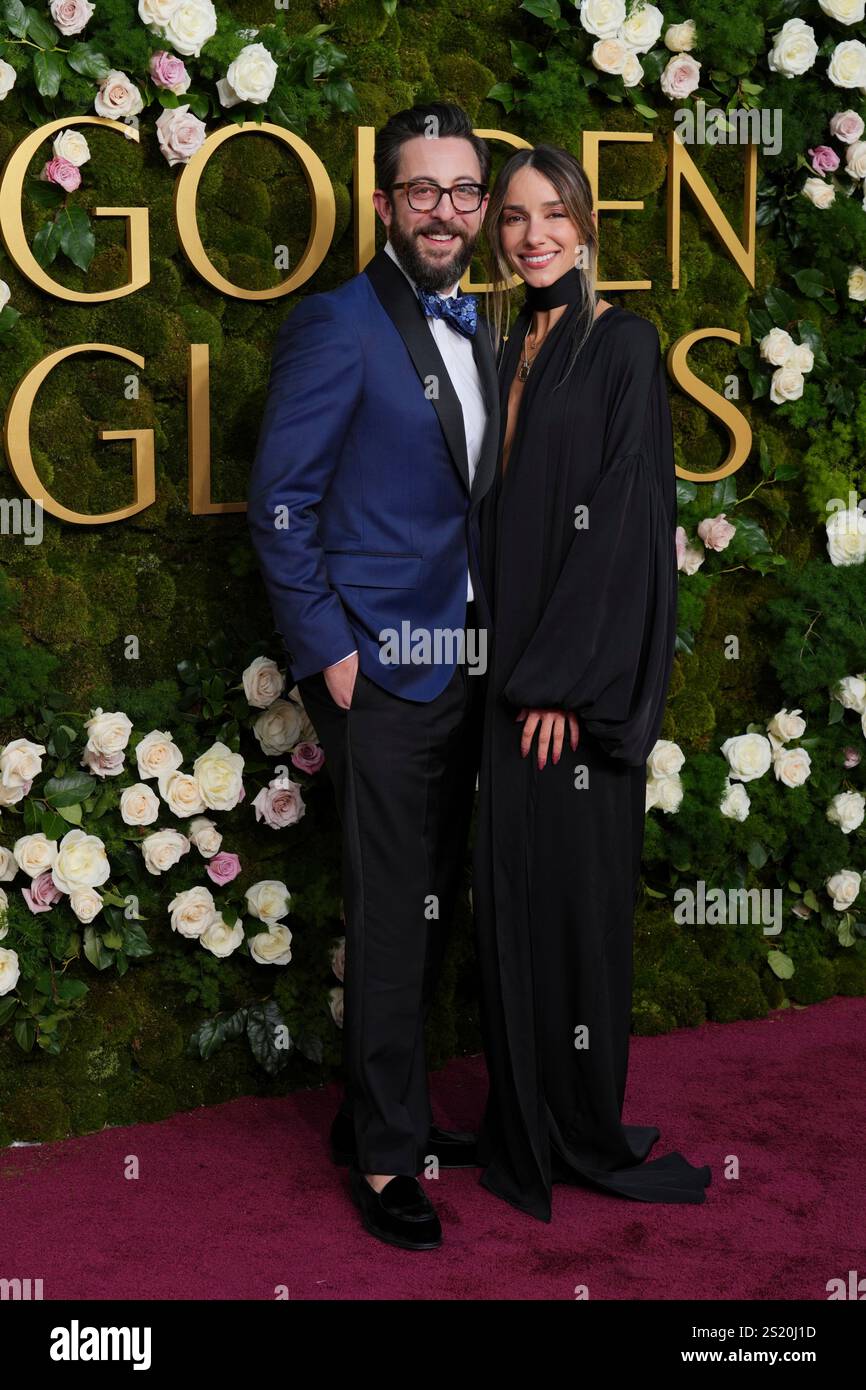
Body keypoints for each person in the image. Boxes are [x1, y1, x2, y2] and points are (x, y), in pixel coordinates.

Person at [247, 103, 500, 1251]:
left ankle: (369, 1114)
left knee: (439, 901)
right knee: (393, 915)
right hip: (379, 675)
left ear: (479, 207)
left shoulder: (491, 327)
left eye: (461, 191)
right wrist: (332, 656)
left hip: (470, 665)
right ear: (386, 201)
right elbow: (281, 503)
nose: (442, 211)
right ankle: (394, 1158)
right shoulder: (337, 324)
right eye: (420, 190)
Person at [472, 143, 712, 1221]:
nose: (532, 236)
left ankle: (575, 1120)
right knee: (510, 902)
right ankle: (524, 1113)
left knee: (572, 905)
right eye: (514, 217)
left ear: (584, 225)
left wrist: (564, 683)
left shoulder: (621, 343)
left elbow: (623, 522)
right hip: (499, 677)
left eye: (551, 214)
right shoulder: (498, 344)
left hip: (564, 692)